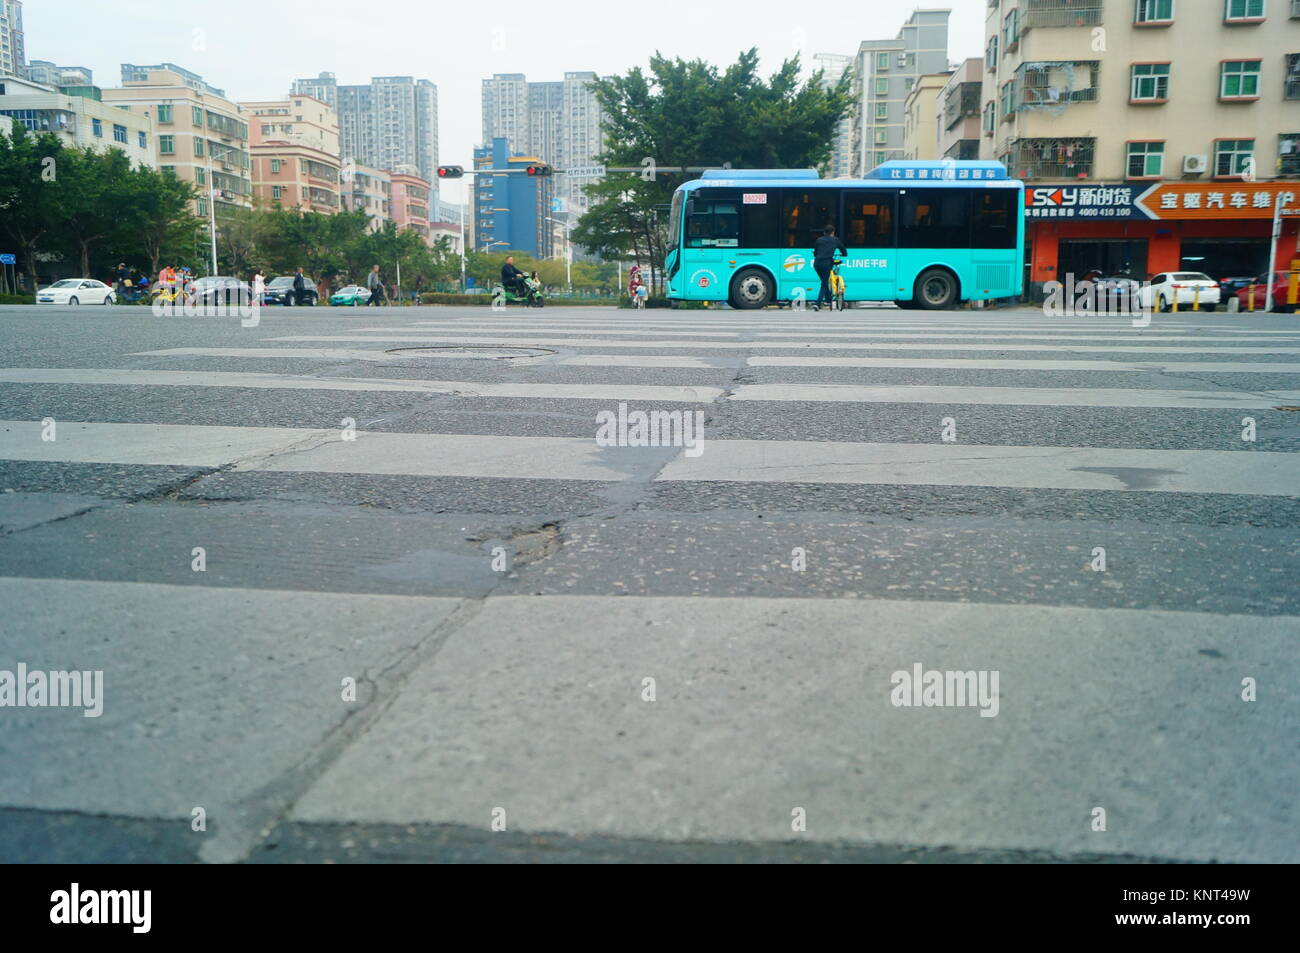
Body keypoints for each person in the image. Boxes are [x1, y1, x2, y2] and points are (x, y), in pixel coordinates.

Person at [812, 225, 847, 311]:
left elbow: (815, 253)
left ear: (824, 232)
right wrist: (843, 254)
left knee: (825, 281)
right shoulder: (835, 240)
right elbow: (843, 250)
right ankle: (818, 303)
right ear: (833, 233)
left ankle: (828, 301)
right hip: (826, 263)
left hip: (817, 264)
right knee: (824, 283)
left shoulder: (819, 240)